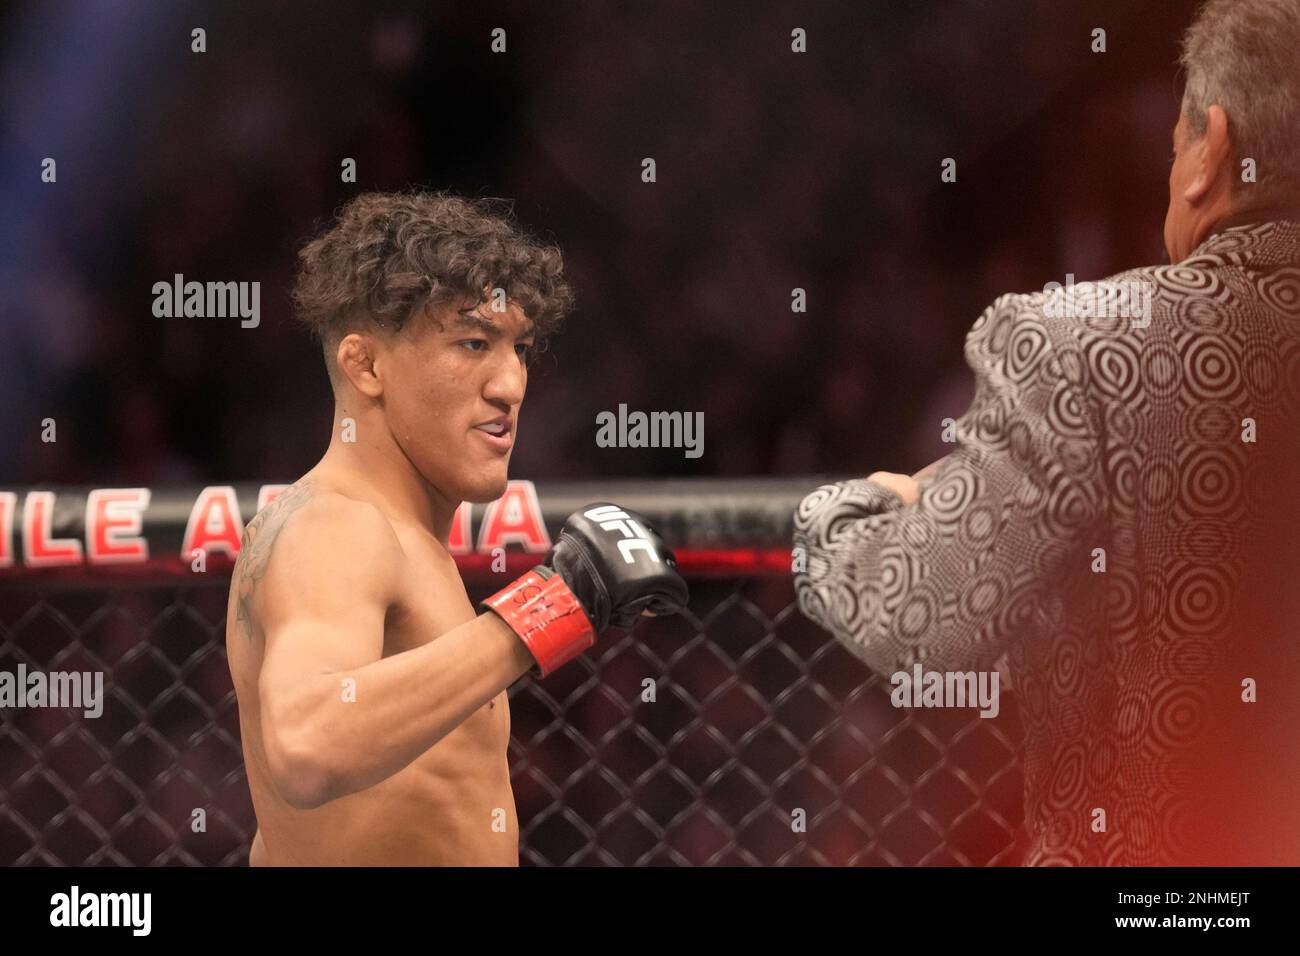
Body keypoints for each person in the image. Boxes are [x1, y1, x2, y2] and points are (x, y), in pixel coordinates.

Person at [794, 0, 1300, 865]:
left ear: (1210, 151)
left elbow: (918, 612)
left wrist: (844, 514)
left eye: (1178, 142)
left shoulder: (1084, 348)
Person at [225, 191, 688, 865]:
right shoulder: (337, 526)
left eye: (520, 348)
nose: (510, 385)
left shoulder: (399, 538)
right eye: (473, 343)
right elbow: (307, 745)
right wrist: (545, 611)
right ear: (367, 365)